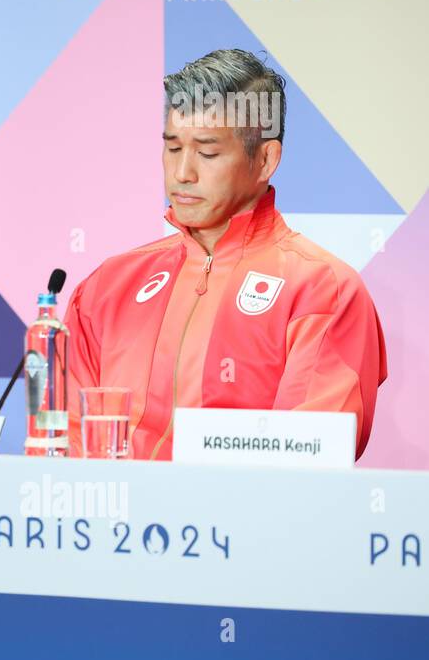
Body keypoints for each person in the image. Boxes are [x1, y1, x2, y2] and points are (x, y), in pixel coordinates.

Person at [65, 49, 386, 460]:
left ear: (266, 159)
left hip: (243, 523)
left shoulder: (325, 291)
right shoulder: (107, 286)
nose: (183, 173)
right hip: (111, 522)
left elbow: (307, 464)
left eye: (208, 152)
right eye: (173, 148)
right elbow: (67, 451)